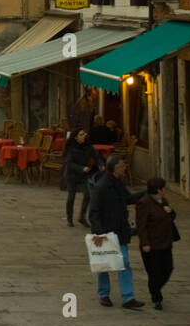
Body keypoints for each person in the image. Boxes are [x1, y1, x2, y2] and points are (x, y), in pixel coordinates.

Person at [88, 155, 146, 309]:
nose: (124, 168)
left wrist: (146, 192)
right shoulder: (101, 187)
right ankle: (104, 294)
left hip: (120, 230)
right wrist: (100, 233)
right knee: (104, 265)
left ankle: (128, 297)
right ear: (114, 168)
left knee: (124, 263)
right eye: (121, 166)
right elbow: (93, 213)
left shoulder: (119, 183)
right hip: (105, 232)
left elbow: (128, 199)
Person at [135, 177, 178, 310]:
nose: (165, 191)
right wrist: (145, 243)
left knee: (168, 268)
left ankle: (155, 288)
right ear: (159, 190)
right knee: (154, 272)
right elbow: (141, 225)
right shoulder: (144, 203)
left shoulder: (163, 201)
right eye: (163, 188)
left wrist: (170, 212)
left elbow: (171, 217)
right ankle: (156, 297)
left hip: (165, 242)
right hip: (152, 245)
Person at [62, 128, 100, 226]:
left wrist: (101, 164)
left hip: (83, 176)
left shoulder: (88, 146)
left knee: (87, 195)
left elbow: (96, 156)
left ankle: (82, 217)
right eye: (82, 134)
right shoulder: (71, 148)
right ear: (76, 137)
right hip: (71, 175)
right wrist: (81, 168)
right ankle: (69, 219)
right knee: (72, 196)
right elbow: (69, 163)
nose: (84, 135)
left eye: (84, 133)